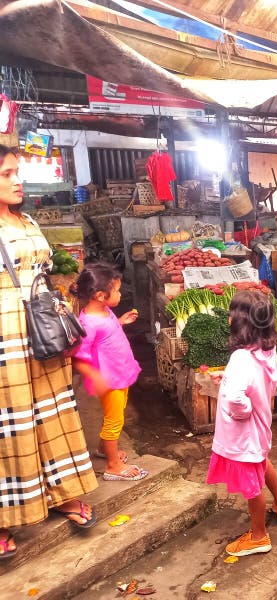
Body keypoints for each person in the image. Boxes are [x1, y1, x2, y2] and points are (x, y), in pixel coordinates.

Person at [1, 145, 97, 560]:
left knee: (53, 410)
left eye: (16, 172)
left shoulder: (26, 219)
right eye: (7, 174)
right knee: (12, 420)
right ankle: (5, 517)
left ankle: (63, 492)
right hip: (6, 332)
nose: (17, 180)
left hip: (43, 328)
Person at [206, 291, 277, 557]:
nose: (229, 317)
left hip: (244, 431)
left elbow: (235, 399)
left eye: (232, 313)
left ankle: (258, 536)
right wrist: (228, 376)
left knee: (251, 485)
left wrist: (240, 411)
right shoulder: (266, 350)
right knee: (261, 462)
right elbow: (258, 382)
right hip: (260, 429)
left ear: (240, 321)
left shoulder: (241, 358)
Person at [71, 262, 147, 482]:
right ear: (101, 295)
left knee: (118, 412)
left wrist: (120, 322)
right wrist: (95, 376)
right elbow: (78, 356)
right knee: (114, 420)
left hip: (119, 374)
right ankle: (113, 465)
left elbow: (107, 335)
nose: (121, 294)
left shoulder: (104, 312)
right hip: (110, 379)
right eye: (117, 291)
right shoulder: (88, 323)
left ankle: (105, 449)